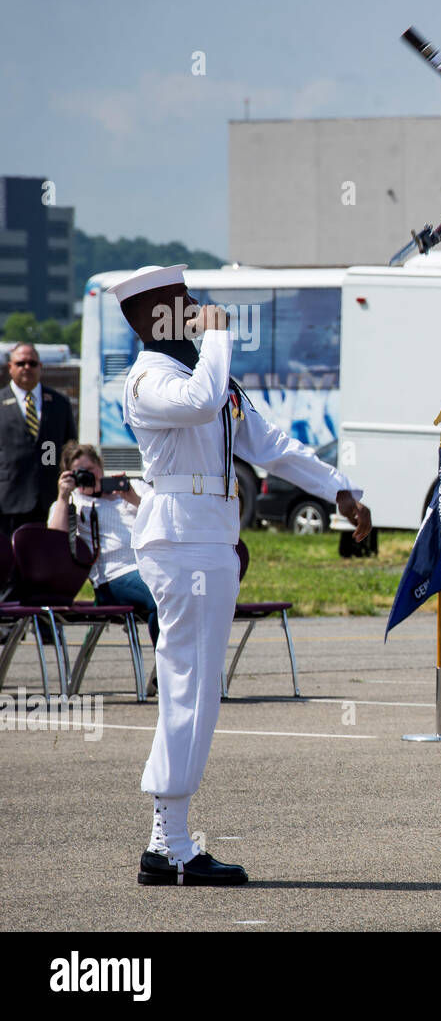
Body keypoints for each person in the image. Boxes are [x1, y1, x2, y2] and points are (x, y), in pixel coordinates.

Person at [111, 264, 371, 887]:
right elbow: (200, 403)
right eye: (182, 303)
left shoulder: (207, 374)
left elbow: (270, 444)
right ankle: (169, 846)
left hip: (210, 540)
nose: (197, 309)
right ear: (151, 317)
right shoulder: (149, 377)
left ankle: (167, 841)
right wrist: (221, 337)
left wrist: (337, 488)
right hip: (180, 541)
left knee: (198, 690)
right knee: (188, 688)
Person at [47, 442, 160, 646]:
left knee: (182, 592)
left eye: (90, 470)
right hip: (113, 577)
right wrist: (63, 497)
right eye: (78, 473)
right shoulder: (71, 503)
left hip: (153, 566)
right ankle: (169, 672)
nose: (86, 476)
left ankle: (184, 670)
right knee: (161, 595)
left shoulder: (132, 488)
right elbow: (55, 543)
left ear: (100, 466)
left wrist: (133, 499)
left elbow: (164, 521)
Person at [1, 343, 76, 537]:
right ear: (10, 367)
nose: (27, 367)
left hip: (50, 501)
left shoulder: (60, 403)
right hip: (8, 502)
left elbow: (70, 448)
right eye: (21, 363)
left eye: (32, 363)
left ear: (40, 366)